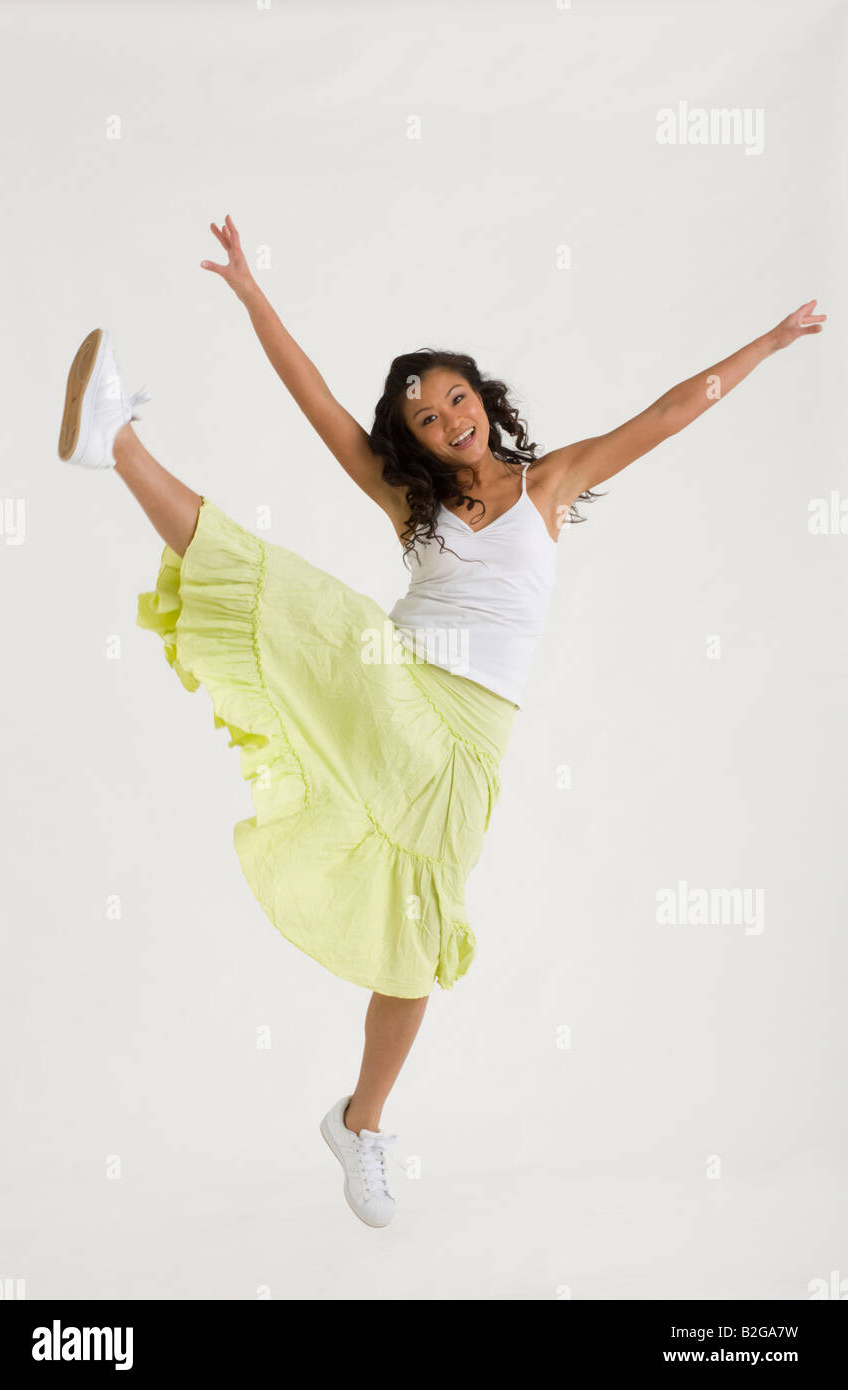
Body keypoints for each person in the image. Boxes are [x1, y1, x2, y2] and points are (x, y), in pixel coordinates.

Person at [56, 213, 825, 1228]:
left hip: (469, 747)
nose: (445, 417)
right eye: (422, 415)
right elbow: (319, 404)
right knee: (306, 603)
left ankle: (358, 1123)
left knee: (416, 945)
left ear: (481, 401)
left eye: (453, 397)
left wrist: (767, 345)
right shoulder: (407, 504)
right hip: (393, 676)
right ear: (411, 440)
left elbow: (667, 411)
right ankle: (115, 442)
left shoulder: (548, 486)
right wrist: (253, 296)